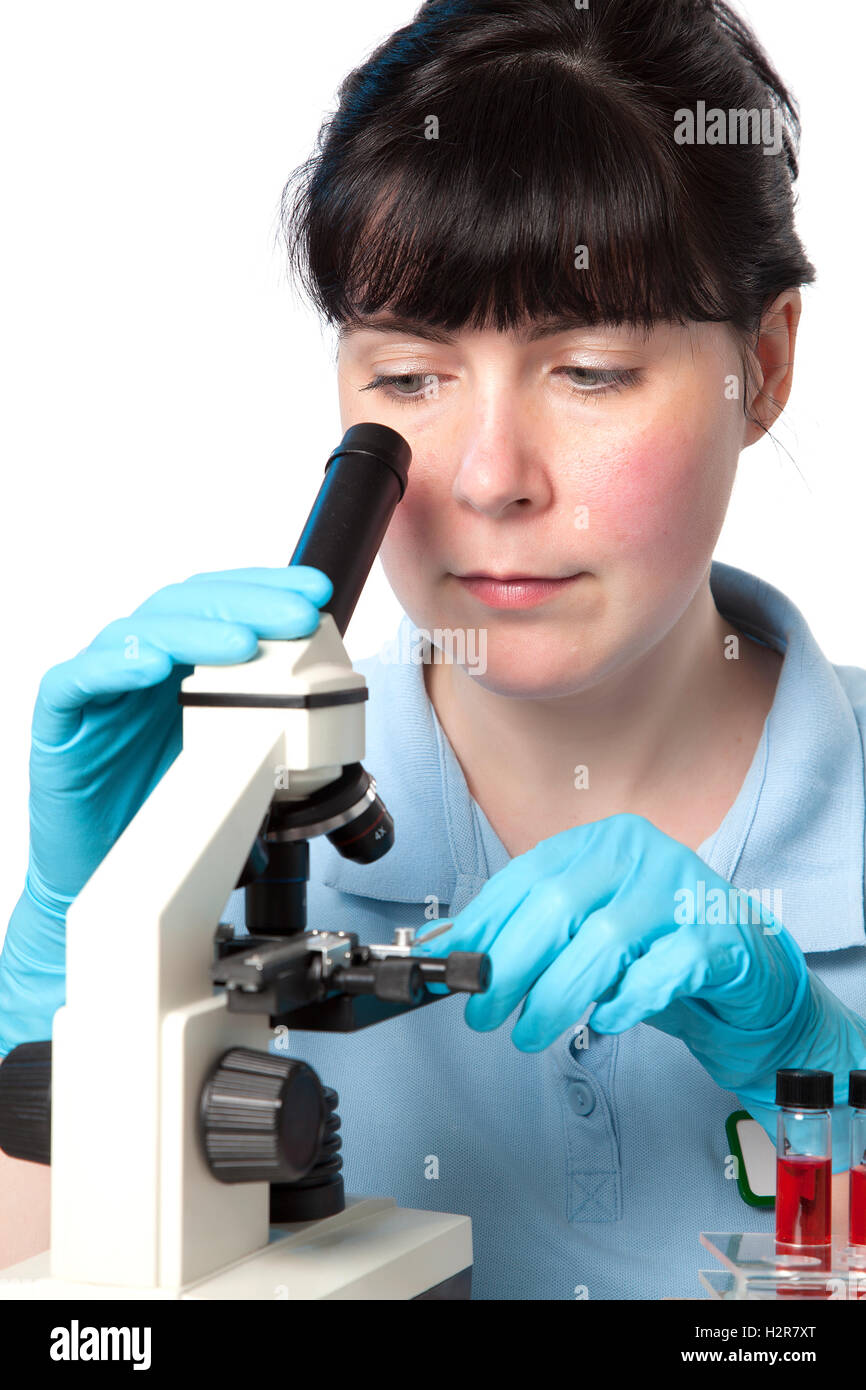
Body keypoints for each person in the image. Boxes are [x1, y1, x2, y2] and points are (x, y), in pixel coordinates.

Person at [2, 0, 865, 1299]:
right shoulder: (210, 847)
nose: (486, 477)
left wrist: (823, 1072)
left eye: (587, 370)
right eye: (407, 379)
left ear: (764, 359)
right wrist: (84, 961)